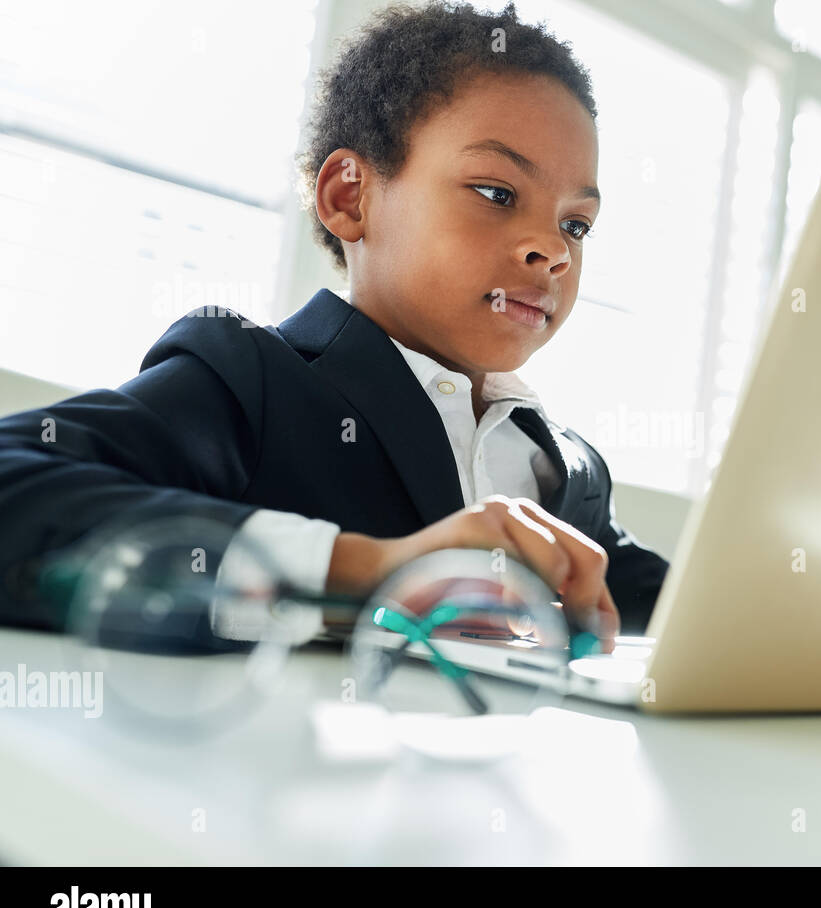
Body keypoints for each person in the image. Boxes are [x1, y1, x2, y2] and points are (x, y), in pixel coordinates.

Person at [0, 1, 669, 652]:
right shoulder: (252, 380)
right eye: (497, 193)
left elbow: (683, 615)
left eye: (575, 225)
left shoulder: (568, 466)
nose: (553, 250)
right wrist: (374, 570)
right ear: (350, 196)